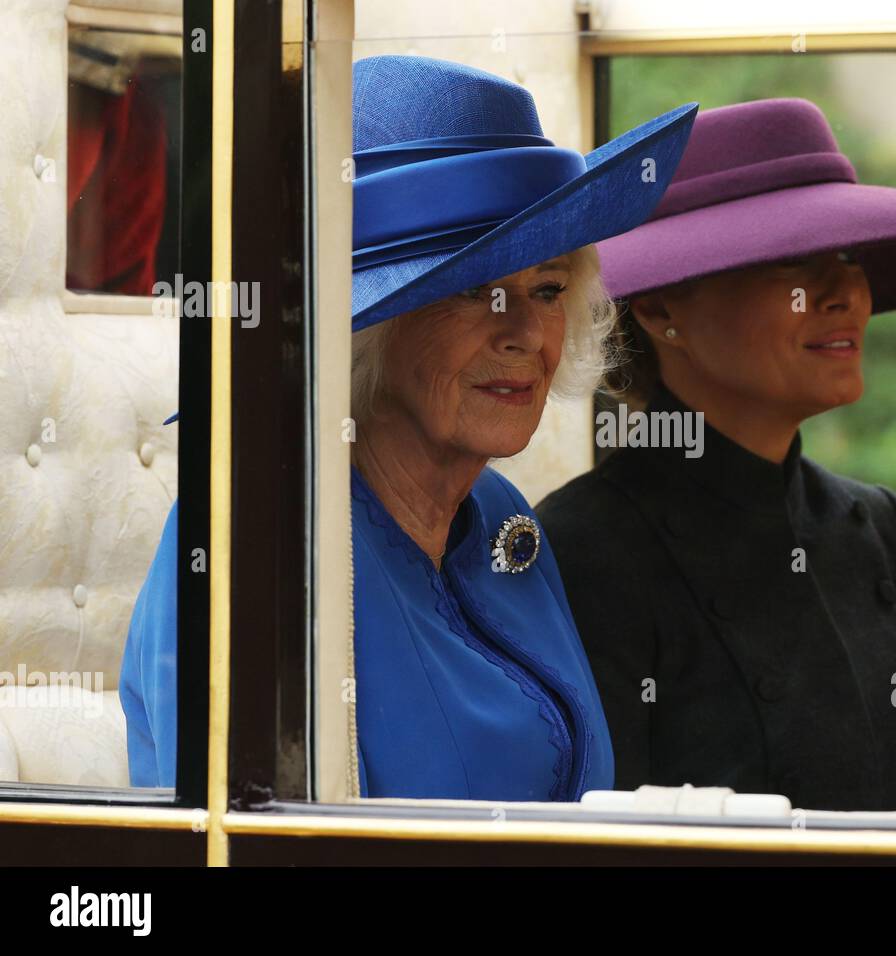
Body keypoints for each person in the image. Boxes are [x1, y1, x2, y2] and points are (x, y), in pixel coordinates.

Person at [118, 55, 697, 800]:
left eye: (548, 288)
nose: (525, 331)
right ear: (368, 329)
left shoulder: (502, 515)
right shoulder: (255, 541)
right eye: (476, 293)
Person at [536, 97, 896, 811]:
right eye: (790, 260)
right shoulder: (584, 550)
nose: (845, 290)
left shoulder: (882, 530)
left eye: (850, 255)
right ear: (661, 312)